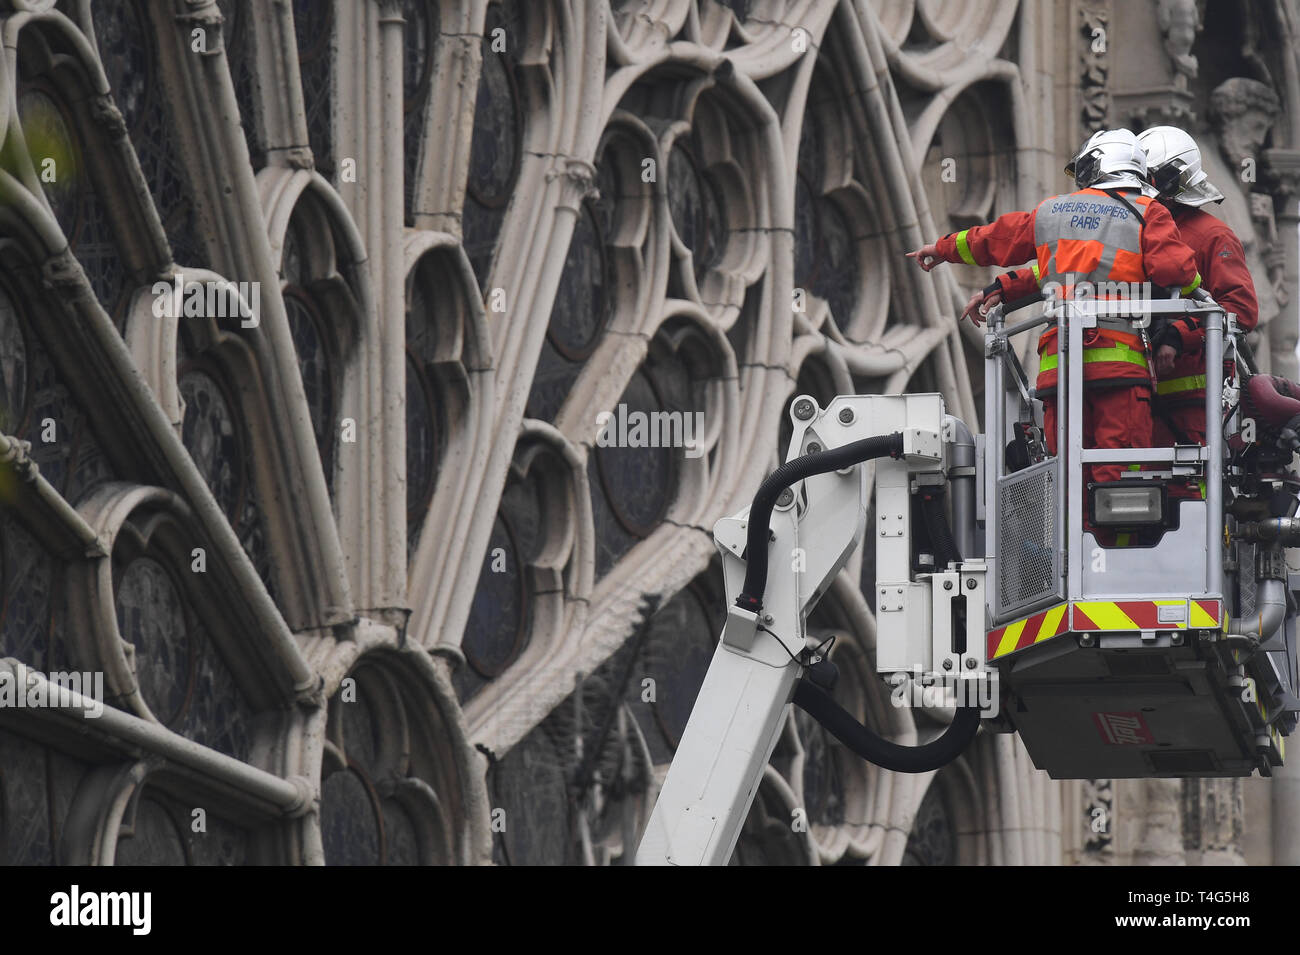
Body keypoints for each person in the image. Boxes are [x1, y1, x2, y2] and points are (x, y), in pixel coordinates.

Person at [908, 129, 1201, 494]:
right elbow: (1177, 273)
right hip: (1120, 372)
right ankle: (1112, 550)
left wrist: (943, 249)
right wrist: (1190, 288)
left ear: (1093, 166)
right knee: (1120, 477)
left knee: (1068, 481)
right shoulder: (1148, 212)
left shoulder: (1052, 211)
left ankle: (1075, 548)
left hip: (1059, 370)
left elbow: (998, 238)